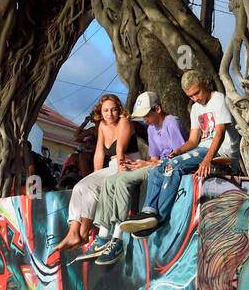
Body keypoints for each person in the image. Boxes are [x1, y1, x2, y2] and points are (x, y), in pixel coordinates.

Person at [118, 70, 239, 235]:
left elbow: (220, 133)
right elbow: (193, 141)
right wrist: (178, 151)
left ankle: (159, 217)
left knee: (173, 166)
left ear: (205, 84)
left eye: (197, 93)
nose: (195, 98)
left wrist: (207, 159)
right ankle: (148, 212)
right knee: (158, 168)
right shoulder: (195, 108)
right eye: (190, 96)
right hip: (201, 149)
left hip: (220, 151)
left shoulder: (218, 100)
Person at [76, 90, 189, 264]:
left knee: (122, 179)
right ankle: (103, 236)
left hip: (166, 168)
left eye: (146, 115)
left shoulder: (171, 123)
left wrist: (146, 164)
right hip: (154, 166)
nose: (144, 120)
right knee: (109, 181)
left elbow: (178, 158)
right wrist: (143, 164)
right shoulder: (151, 129)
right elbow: (154, 159)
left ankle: (118, 239)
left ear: (157, 109)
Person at [52, 94, 133, 254]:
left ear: (119, 110)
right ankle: (74, 232)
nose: (110, 114)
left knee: (90, 187)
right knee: (80, 187)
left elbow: (120, 151)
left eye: (113, 110)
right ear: (100, 112)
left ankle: (84, 233)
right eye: (106, 110)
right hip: (112, 165)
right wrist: (95, 176)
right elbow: (99, 153)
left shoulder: (124, 122)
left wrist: (114, 176)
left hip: (127, 163)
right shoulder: (102, 126)